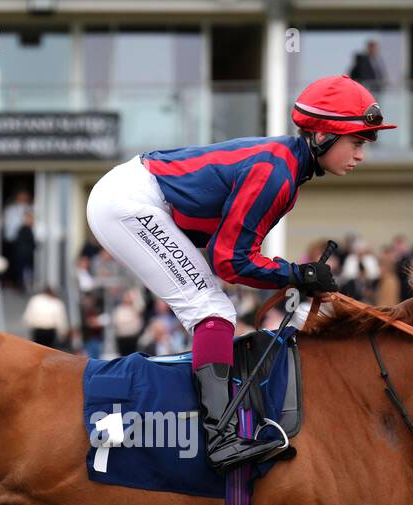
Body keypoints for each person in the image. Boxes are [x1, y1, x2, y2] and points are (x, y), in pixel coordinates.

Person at [86, 74, 395, 474]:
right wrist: (297, 274)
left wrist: (295, 275)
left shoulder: (286, 168)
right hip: (128, 201)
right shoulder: (277, 173)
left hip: (130, 194)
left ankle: (217, 424)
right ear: (322, 135)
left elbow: (233, 255)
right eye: (356, 142)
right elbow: (229, 261)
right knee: (211, 310)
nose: (360, 155)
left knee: (214, 309)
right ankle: (220, 437)